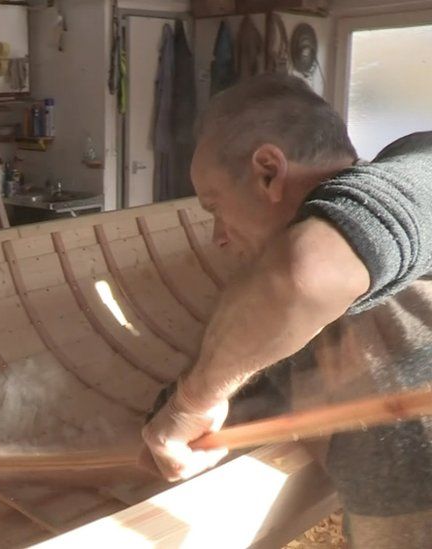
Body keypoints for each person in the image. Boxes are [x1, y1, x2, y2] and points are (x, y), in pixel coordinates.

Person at [142, 73, 432, 545]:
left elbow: (306, 272)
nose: (217, 236)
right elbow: (239, 381)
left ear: (269, 172)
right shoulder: (290, 330)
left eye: (214, 205)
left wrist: (192, 402)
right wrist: (167, 423)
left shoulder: (420, 168)